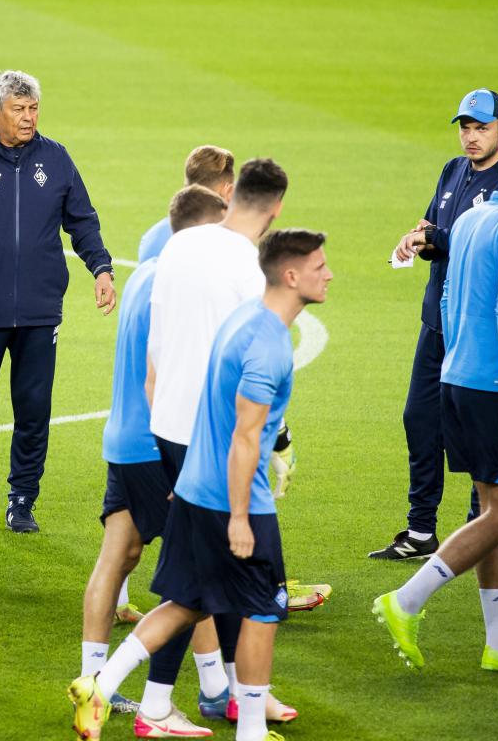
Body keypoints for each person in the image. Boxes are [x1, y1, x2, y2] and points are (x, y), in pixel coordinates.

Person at [68, 229, 332, 741]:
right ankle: (250, 729)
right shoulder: (270, 345)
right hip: (234, 498)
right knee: (260, 610)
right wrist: (239, 517)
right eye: (320, 266)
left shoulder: (240, 321)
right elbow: (246, 438)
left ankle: (100, 685)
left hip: (192, 485)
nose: (329, 274)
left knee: (186, 602)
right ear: (291, 275)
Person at [372, 132, 498, 673]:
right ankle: (406, 599)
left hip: (456, 374)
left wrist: (458, 362)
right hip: (490, 385)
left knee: (492, 509)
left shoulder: (469, 221)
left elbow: (450, 299)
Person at [144, 159, 301, 727]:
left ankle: (232, 690)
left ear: (231, 194)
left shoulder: (178, 244)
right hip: (216, 436)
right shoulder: (254, 265)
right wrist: (275, 439)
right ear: (277, 207)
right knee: (210, 577)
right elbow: (255, 365)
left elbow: (155, 349)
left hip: (168, 427)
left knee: (211, 574)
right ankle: (162, 700)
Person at [0, 70, 116, 534]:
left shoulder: (55, 160)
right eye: (18, 110)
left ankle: (22, 500)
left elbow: (83, 221)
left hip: (39, 312)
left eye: (33, 109)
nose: (28, 118)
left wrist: (101, 268)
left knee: (33, 408)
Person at [80, 184, 229, 726]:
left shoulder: (143, 274)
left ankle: (91, 678)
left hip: (121, 439)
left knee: (117, 557)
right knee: (196, 569)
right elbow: (165, 376)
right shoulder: (175, 283)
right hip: (155, 443)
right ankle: (212, 686)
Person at [373, 88, 498, 561]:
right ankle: (420, 531)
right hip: (437, 320)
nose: (471, 137)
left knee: (474, 428)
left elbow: (483, 246)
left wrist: (437, 237)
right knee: (419, 417)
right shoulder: (453, 170)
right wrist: (417, 238)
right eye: (466, 128)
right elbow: (432, 222)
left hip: (476, 326)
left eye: (481, 128)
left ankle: (479, 528)